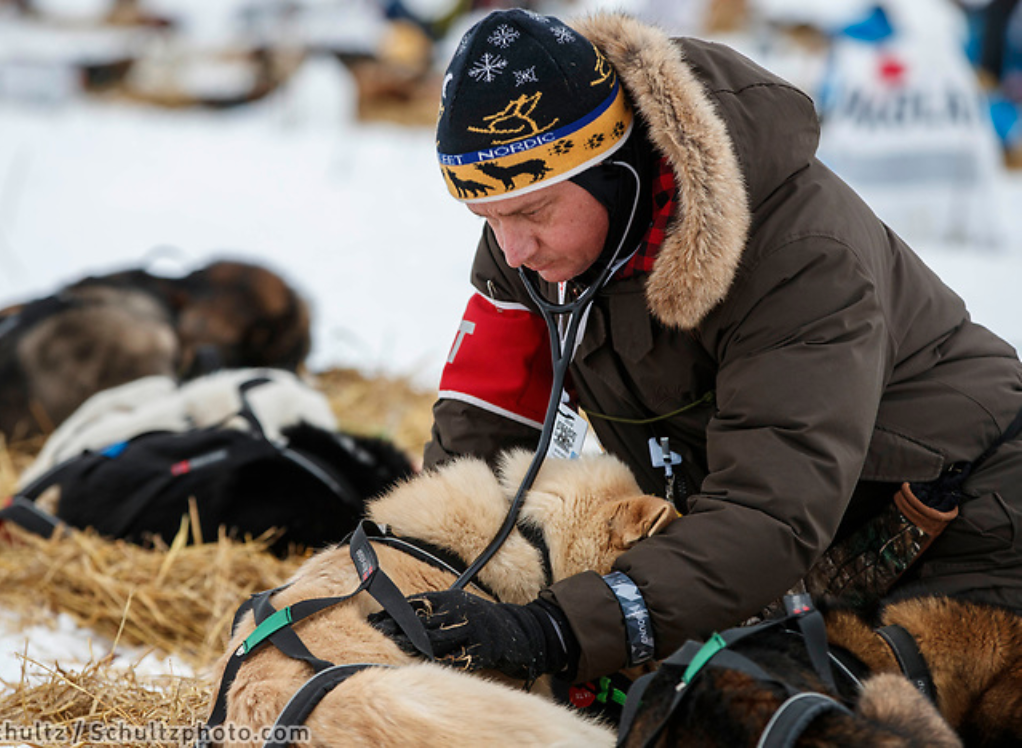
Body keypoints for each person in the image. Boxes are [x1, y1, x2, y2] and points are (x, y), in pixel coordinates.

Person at [372, 8, 1022, 694]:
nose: (511, 251)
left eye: (532, 213)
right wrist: (422, 573)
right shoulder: (538, 234)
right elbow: (487, 420)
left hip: (964, 531)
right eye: (488, 220)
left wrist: (559, 629)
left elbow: (767, 509)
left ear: (613, 173)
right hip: (792, 548)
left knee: (752, 717)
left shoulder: (801, 254)